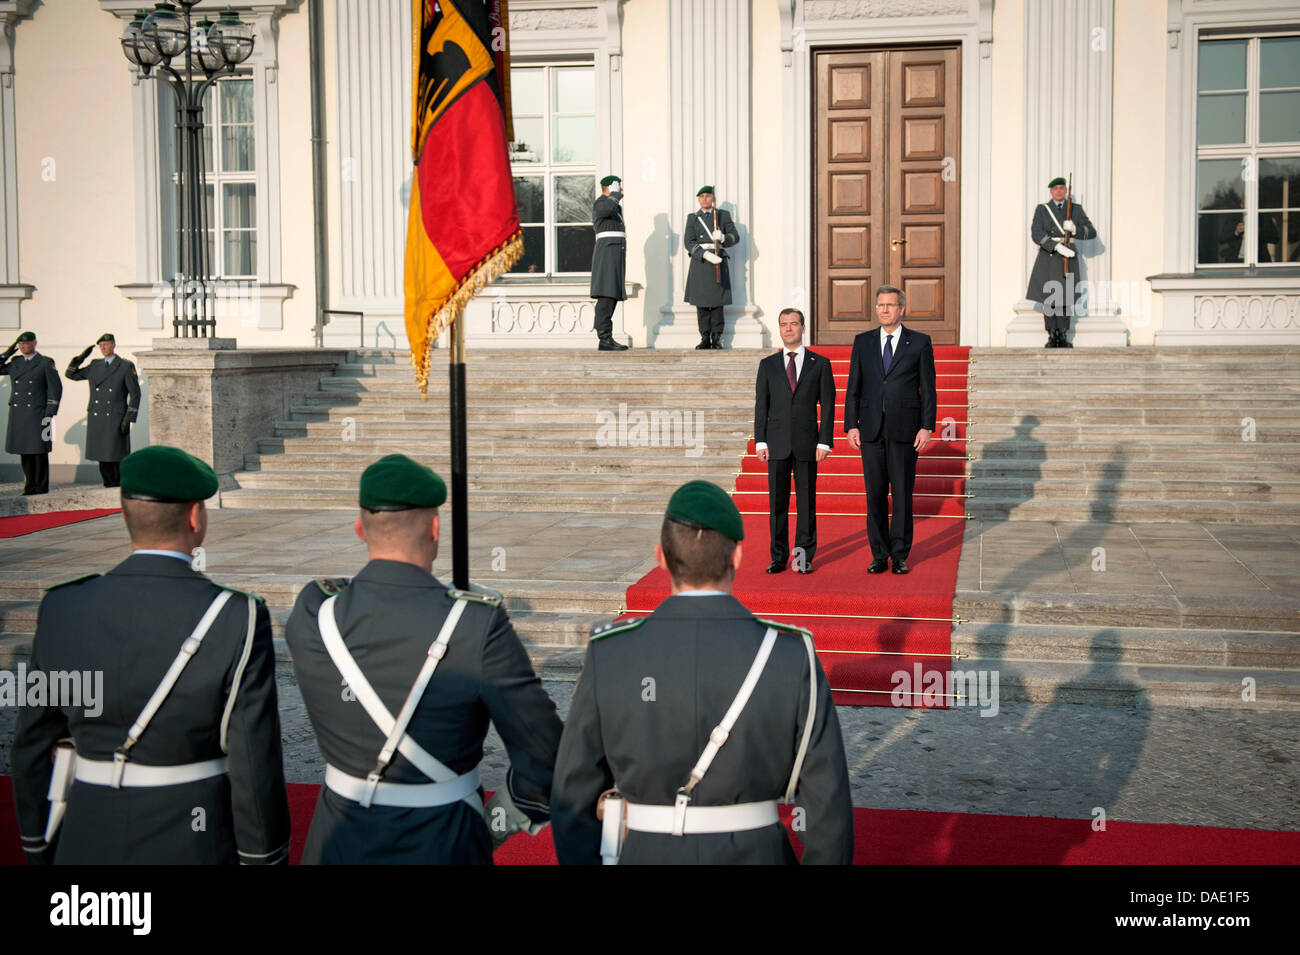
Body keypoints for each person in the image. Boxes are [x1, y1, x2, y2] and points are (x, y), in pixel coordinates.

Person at [11, 445, 291, 864]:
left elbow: (32, 741)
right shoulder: (235, 615)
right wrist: (263, 856)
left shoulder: (62, 606)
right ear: (195, 518)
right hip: (192, 836)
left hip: (86, 832)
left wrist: (36, 841)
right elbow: (253, 757)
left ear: (125, 515)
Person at [551, 480, 854, 864]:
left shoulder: (610, 653)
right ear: (737, 556)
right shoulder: (790, 654)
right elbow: (828, 812)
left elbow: (572, 794)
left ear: (661, 557)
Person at [283, 453, 563, 864]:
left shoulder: (314, 611)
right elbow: (546, 755)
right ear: (434, 529)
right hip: (445, 838)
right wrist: (500, 818)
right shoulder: (476, 624)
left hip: (337, 840)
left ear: (360, 529)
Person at [844, 285, 937, 576]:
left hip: (905, 430)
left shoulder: (919, 342)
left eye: (890, 305)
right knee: (874, 496)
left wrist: (927, 426)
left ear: (901, 309)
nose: (884, 310)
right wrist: (851, 425)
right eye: (880, 305)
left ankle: (899, 555)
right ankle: (879, 555)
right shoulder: (863, 342)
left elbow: (928, 389)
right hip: (870, 429)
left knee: (902, 495)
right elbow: (853, 386)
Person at [754, 307, 835, 575]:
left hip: (807, 444)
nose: (788, 328)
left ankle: (802, 557)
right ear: (779, 329)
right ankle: (778, 557)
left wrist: (824, 442)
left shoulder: (820, 364)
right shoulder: (767, 365)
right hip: (776, 444)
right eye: (783, 324)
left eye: (793, 323)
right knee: (777, 505)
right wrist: (760, 441)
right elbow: (761, 407)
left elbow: (828, 405)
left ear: (803, 327)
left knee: (806, 504)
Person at [1025, 177, 1096, 348]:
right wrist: (1055, 246)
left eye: (1061, 188)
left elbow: (1091, 232)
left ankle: (1063, 334)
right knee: (1049, 297)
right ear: (1051, 191)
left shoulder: (1076, 209)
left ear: (1066, 191)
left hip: (1068, 257)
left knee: (1066, 297)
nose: (1059, 191)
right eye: (1055, 188)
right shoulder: (1043, 209)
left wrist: (1076, 229)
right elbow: (1036, 232)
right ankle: (1052, 335)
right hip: (1049, 256)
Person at [65, 332, 141, 488]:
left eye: (106, 344)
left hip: (115, 415)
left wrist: (129, 418)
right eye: (101, 345)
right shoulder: (95, 365)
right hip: (97, 414)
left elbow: (135, 394)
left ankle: (118, 482)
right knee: (102, 451)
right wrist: (80, 359)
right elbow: (71, 375)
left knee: (116, 451)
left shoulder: (125, 366)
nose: (103, 348)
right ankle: (108, 482)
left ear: (113, 344)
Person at [2, 331, 61, 495]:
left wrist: (50, 412)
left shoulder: (45, 362)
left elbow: (55, 388)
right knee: (25, 451)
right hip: (19, 413)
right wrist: (6, 354)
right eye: (20, 344)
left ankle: (41, 487)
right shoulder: (15, 362)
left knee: (39, 451)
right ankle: (29, 486)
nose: (22, 346)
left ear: (34, 343)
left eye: (26, 343)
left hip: (39, 413)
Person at [684, 185, 740, 349]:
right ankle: (704, 337)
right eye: (701, 197)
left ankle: (716, 338)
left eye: (708, 196)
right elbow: (688, 242)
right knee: (701, 302)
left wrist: (723, 238)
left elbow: (735, 236)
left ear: (713, 198)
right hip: (701, 262)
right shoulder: (693, 218)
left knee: (717, 302)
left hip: (718, 261)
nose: (704, 199)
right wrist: (705, 254)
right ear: (698, 199)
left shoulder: (722, 215)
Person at [590, 175, 630, 351]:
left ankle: (607, 337)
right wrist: (614, 195)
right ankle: (604, 337)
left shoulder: (615, 206)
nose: (620, 189)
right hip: (607, 253)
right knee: (606, 294)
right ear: (609, 187)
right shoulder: (601, 203)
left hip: (615, 253)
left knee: (612, 293)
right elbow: (605, 210)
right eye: (617, 186)